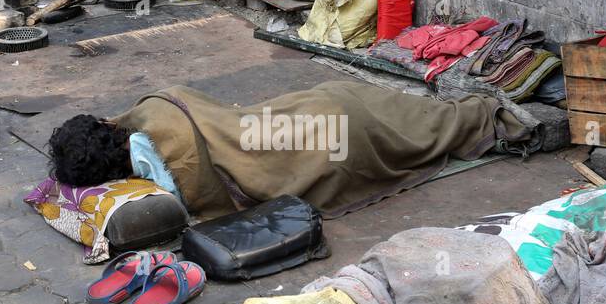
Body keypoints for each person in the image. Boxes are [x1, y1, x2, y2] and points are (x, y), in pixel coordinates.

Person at [47, 80, 536, 220]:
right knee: (421, 119)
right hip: (318, 105)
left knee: (418, 134)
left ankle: (483, 113)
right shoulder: (154, 107)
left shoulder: (166, 191)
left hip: (337, 141)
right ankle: (477, 110)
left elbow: (215, 198)